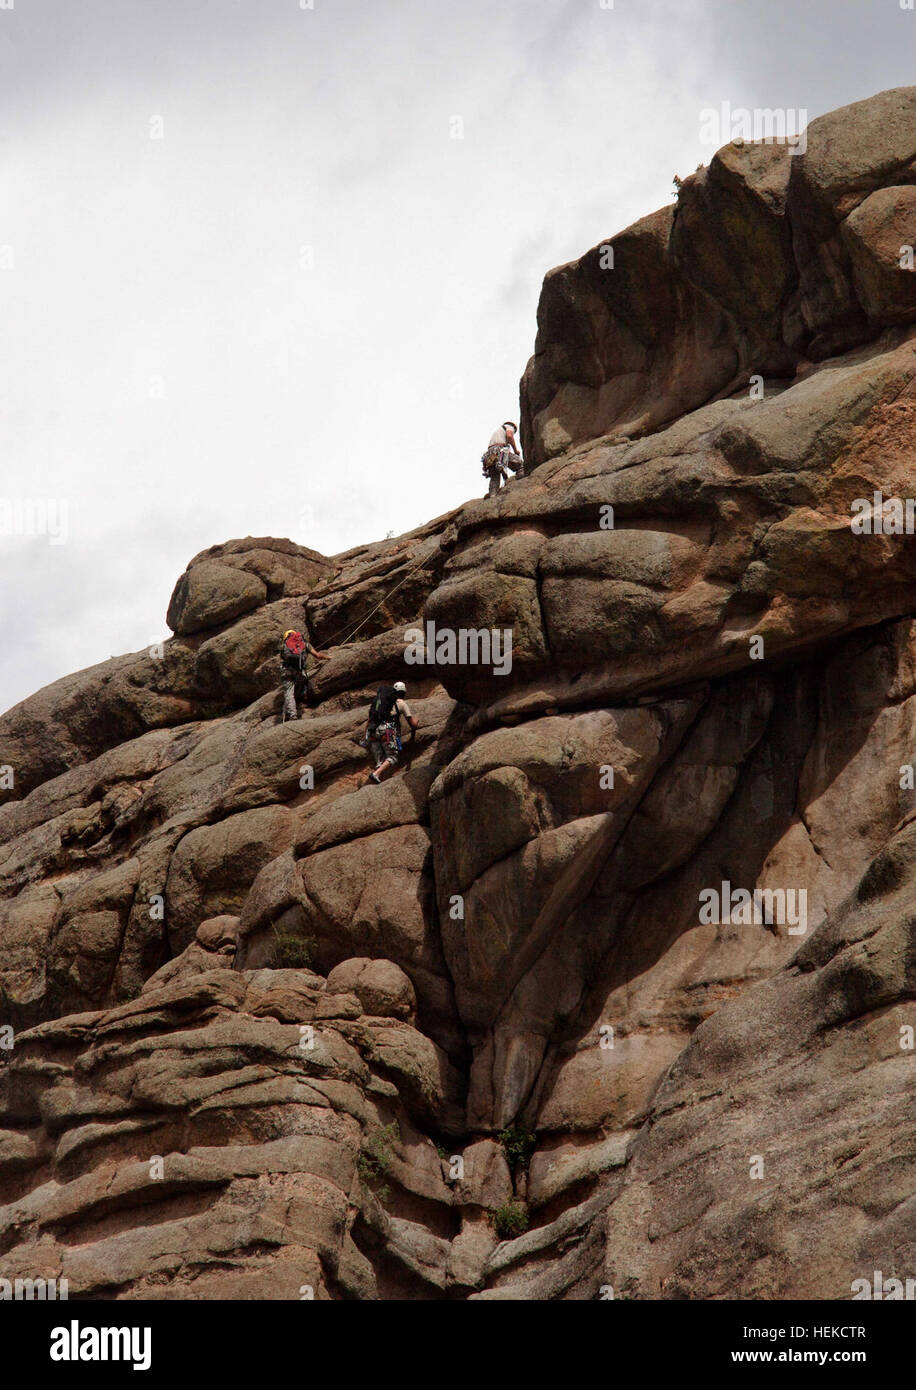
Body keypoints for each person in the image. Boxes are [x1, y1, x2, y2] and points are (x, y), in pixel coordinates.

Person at [363, 680, 418, 783]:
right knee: (392, 757)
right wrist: (417, 722)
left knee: (380, 760)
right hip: (387, 731)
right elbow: (412, 724)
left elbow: (370, 718)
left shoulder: (379, 702)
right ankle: (376, 774)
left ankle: (378, 778)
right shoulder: (400, 703)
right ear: (404, 693)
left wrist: (365, 736)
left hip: (373, 731)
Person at [279, 627, 330, 721]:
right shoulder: (304, 643)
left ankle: (292, 715)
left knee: (289, 693)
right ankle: (305, 698)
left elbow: (283, 658)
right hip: (299, 673)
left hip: (287, 672)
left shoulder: (284, 645)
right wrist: (328, 657)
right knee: (304, 681)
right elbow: (317, 655)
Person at [481, 420, 524, 498]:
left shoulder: (498, 431)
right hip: (499, 451)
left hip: (490, 455)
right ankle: (521, 476)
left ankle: (493, 495)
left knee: (495, 476)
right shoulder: (509, 426)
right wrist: (515, 450)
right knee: (519, 463)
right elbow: (509, 436)